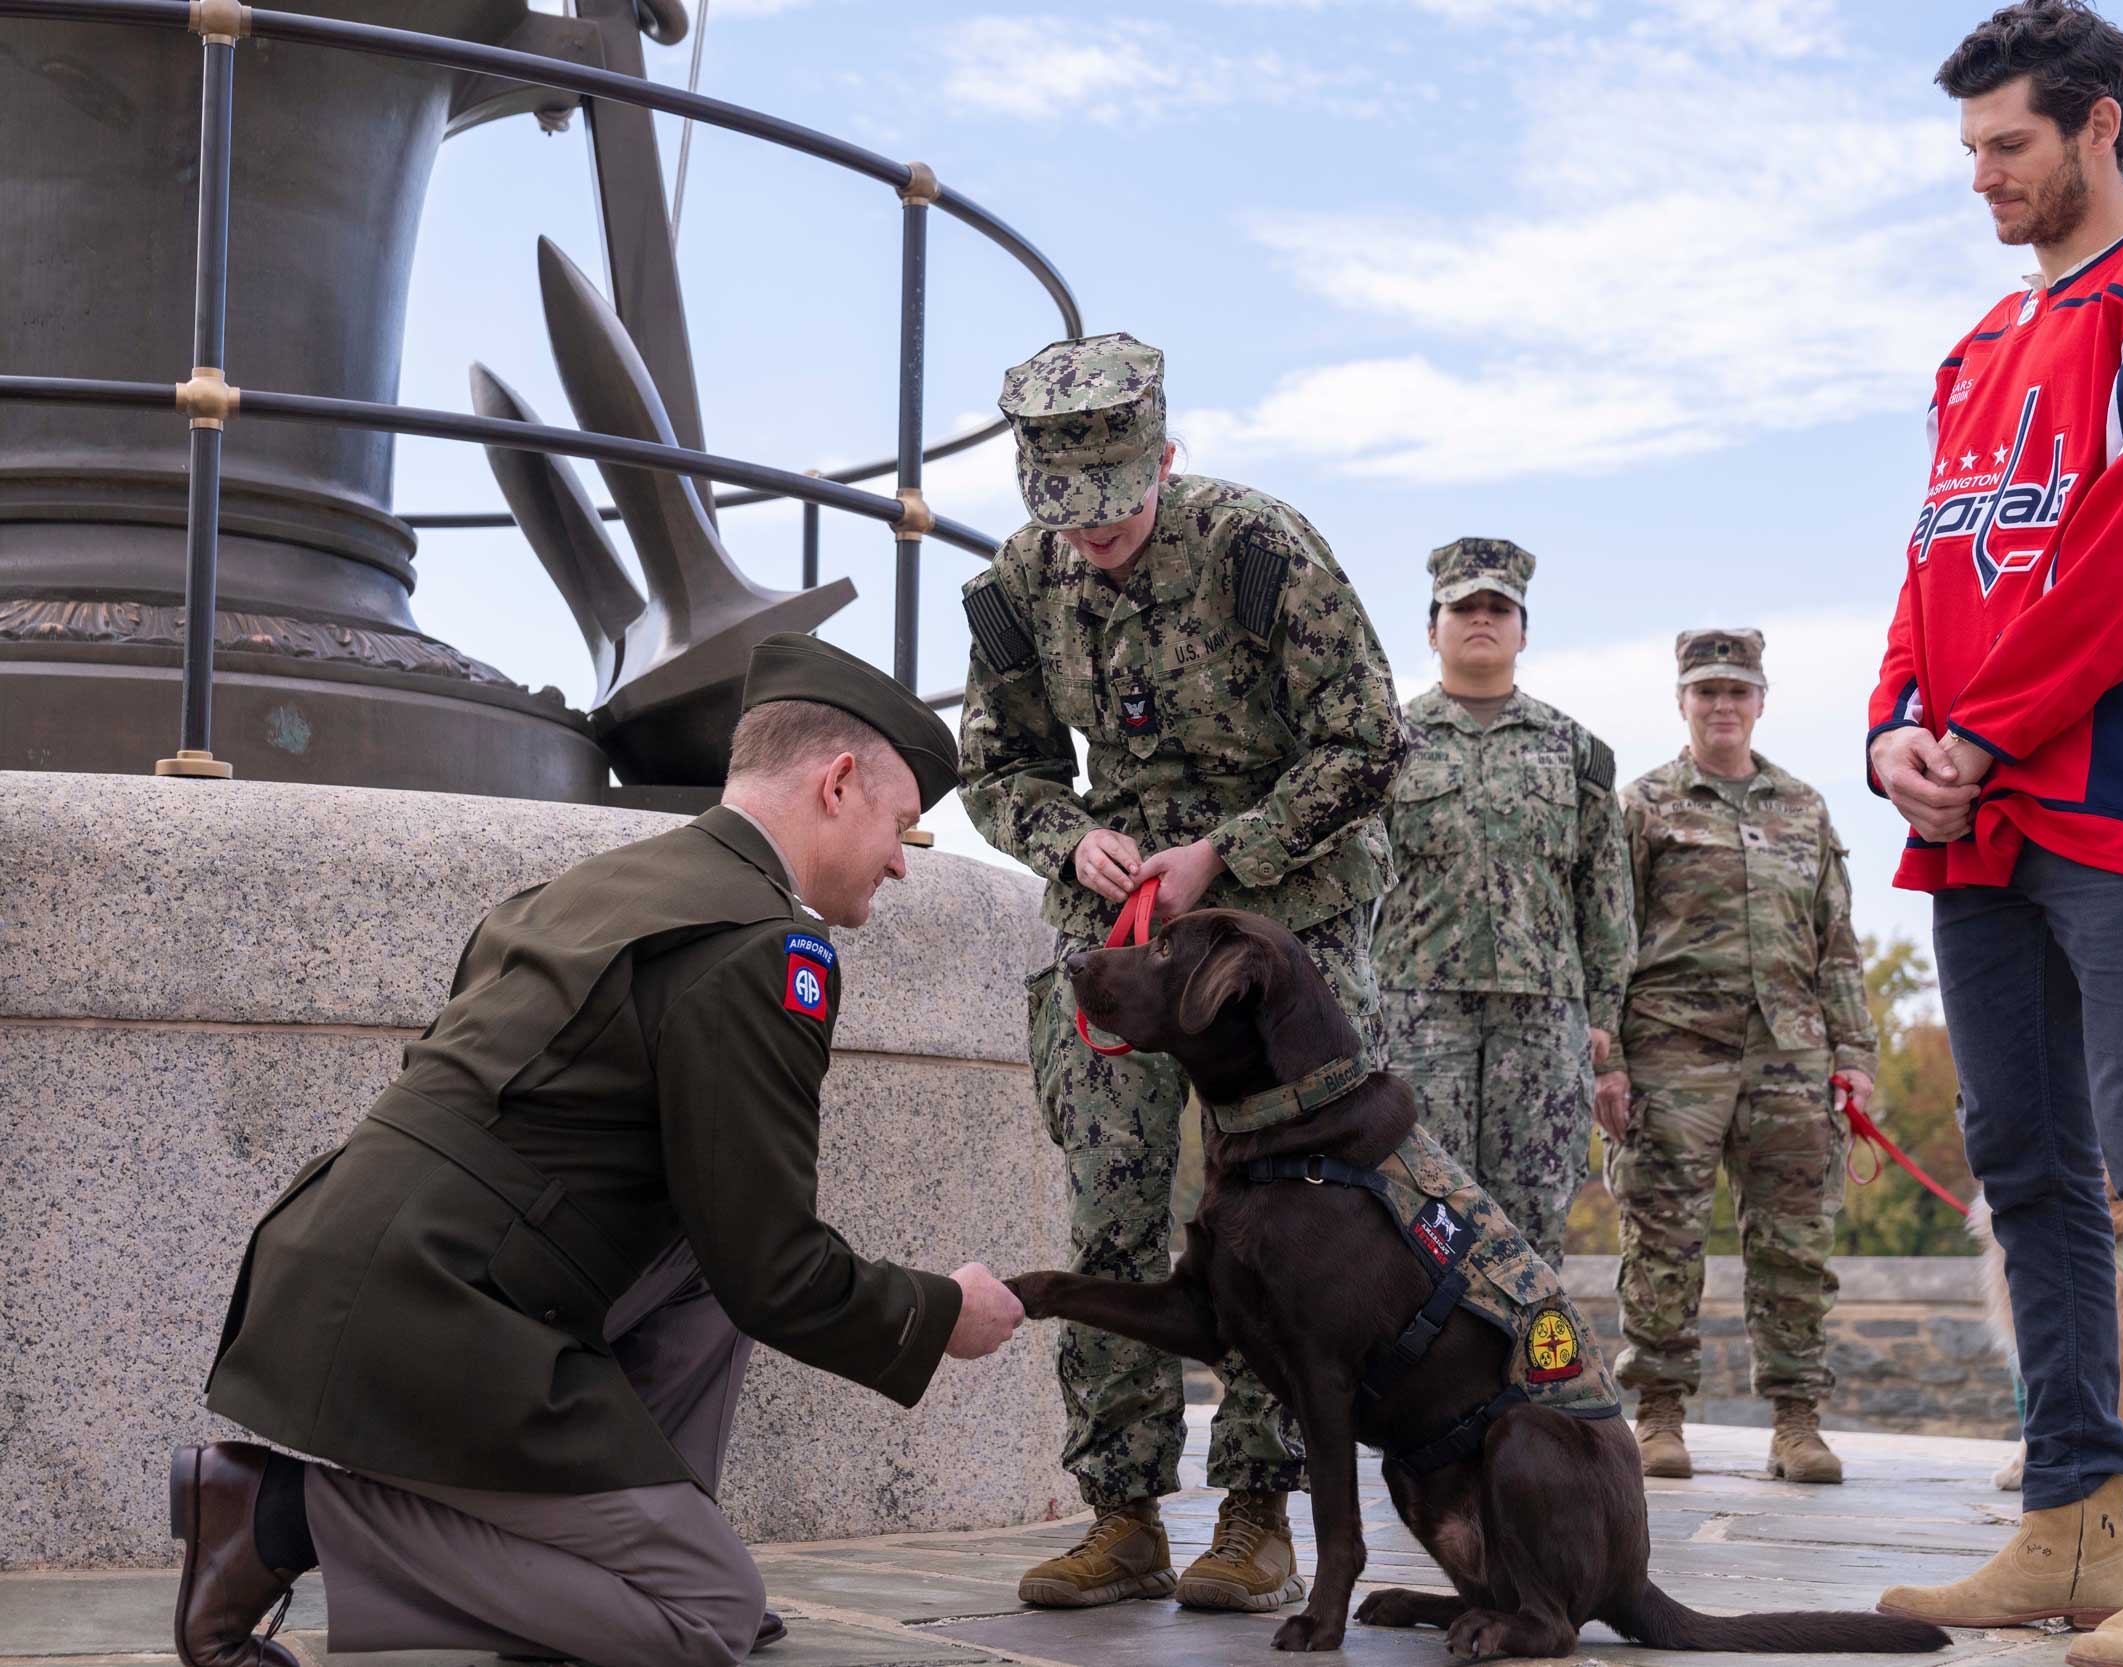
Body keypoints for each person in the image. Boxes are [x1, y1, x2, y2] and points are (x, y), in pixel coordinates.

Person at [174, 634, 1025, 1667]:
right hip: (439, 1312)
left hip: (358, 1270)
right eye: (900, 823)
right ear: (837, 782)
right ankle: (279, 1513)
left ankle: (624, 1565)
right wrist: (942, 1314)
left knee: (705, 1260)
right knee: (703, 1617)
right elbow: (778, 1272)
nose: (900, 856)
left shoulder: (598, 884)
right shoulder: (765, 947)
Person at [1863, 6, 2123, 1664]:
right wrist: (1897, 722)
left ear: (2099, 125)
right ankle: (2073, 1524)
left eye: (2008, 147)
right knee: (2027, 1173)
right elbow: (1934, 563)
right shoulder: (1973, 352)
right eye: (1968, 153)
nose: (1982, 181)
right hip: (1974, 818)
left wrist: (1982, 725)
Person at [957, 332, 1407, 1616]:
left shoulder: (1259, 549)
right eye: (1069, 514)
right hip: (1132, 927)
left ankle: (1260, 1512)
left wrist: (1233, 849)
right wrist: (1068, 834)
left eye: (1117, 508)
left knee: (1289, 1211)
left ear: (1166, 457)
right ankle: (1122, 1512)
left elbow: (1370, 738)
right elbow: (1001, 766)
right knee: (1108, 1198)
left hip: (1282, 924)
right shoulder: (1018, 582)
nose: (1094, 536)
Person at [1601, 629, 1874, 1486]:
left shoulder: (1804, 806)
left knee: (1796, 1246)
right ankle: (1659, 1415)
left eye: (1738, 691)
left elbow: (1836, 940)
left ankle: (1798, 1424)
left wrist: (1854, 1049)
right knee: (1661, 1241)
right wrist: (1607, 1056)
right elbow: (1610, 935)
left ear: (1761, 699)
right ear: (1683, 701)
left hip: (1791, 1054)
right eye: (1706, 691)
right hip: (1671, 1053)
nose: (1723, 705)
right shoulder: (1642, 804)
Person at [1372, 536, 1633, 1266]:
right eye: (1463, 607)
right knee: (1424, 1209)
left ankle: (1530, 1377)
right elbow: (1355, 888)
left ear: (1523, 630)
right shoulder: (1386, 744)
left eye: (1498, 607)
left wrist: (1605, 1017)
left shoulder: (1575, 750)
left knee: (1533, 1215)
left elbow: (1606, 897)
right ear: (1433, 629)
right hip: (1418, 1009)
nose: (1480, 619)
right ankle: (1429, 1377)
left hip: (1543, 1017)